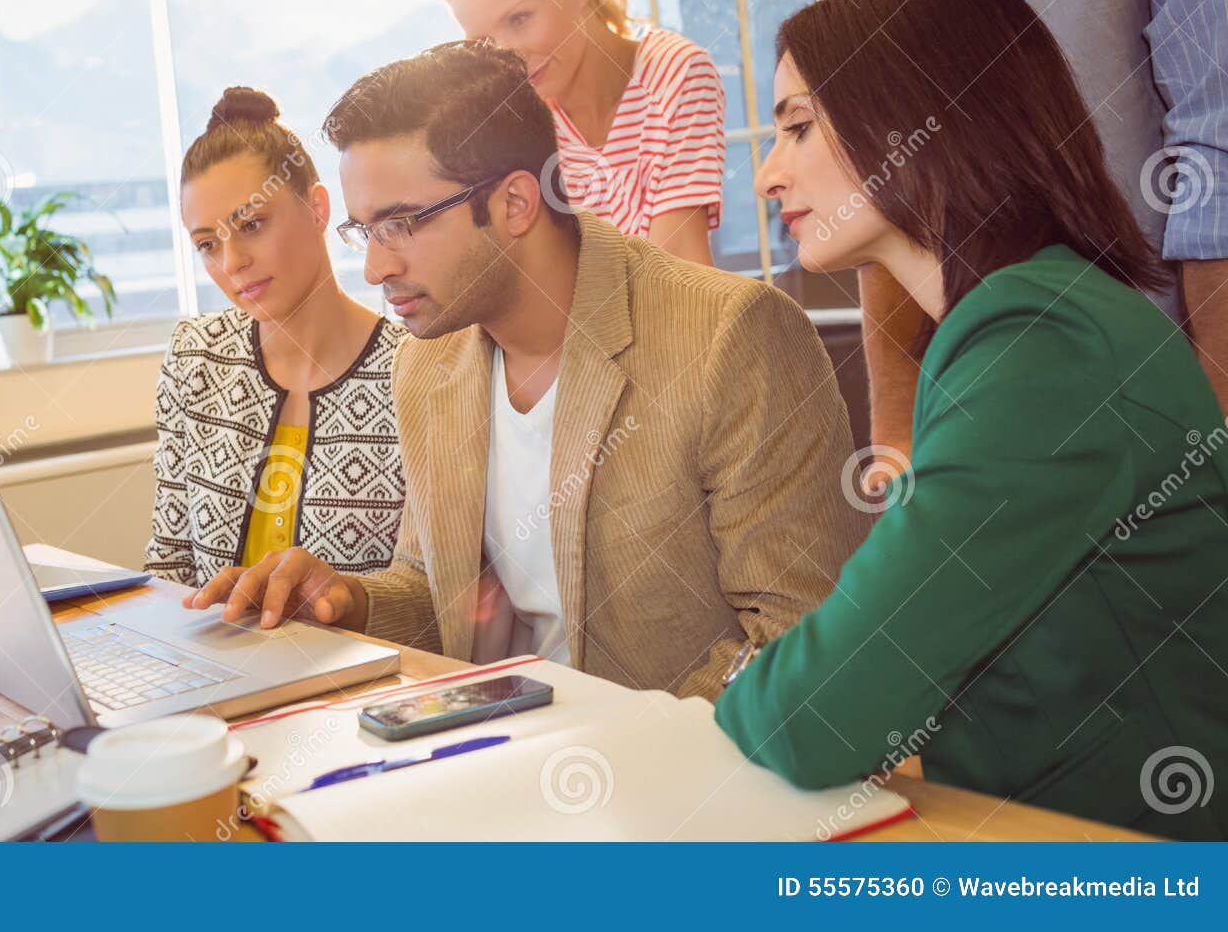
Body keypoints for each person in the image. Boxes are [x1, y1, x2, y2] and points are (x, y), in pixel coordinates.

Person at [186, 42, 870, 701]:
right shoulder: (427, 361)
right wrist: (350, 599)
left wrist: (595, 739)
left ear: (516, 202)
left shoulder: (726, 334)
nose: (375, 267)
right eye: (365, 231)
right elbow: (437, 589)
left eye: (402, 224)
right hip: (507, 762)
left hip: (680, 786)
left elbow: (799, 639)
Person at [715, 0, 1228, 840]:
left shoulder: (1043, 346)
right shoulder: (1036, 317)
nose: (766, 175)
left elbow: (817, 714)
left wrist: (752, 685)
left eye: (798, 126)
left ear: (919, 121)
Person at [701, 0, 1228, 480]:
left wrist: (1205, 457)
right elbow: (884, 213)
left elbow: (1216, 164)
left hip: (1168, 415)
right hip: (998, 441)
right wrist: (896, 444)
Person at [144, 87, 407, 586]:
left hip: (362, 664)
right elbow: (167, 566)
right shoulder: (195, 357)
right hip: (214, 661)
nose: (231, 262)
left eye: (253, 224)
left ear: (317, 209)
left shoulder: (413, 371)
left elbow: (434, 597)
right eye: (207, 244)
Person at [443, 0, 726, 266]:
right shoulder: (519, 124)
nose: (508, 57)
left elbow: (678, 268)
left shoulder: (675, 73)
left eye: (520, 19)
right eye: (484, 41)